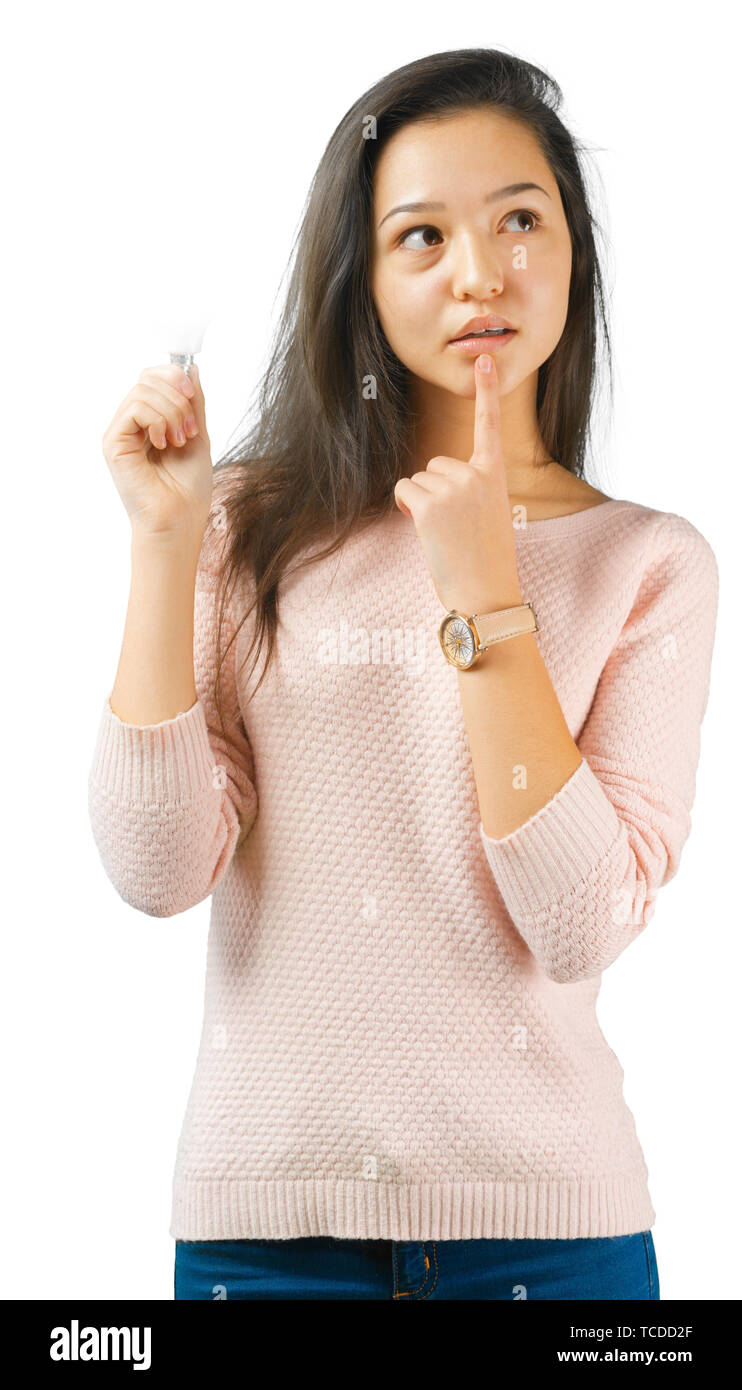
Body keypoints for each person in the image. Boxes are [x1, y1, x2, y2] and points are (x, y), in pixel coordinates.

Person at [88, 48, 718, 1301]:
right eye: (419, 236)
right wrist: (167, 544)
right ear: (362, 284)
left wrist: (489, 597)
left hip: (554, 1239)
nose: (479, 272)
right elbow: (154, 873)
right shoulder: (243, 528)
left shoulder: (648, 563)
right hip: (263, 1231)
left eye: (518, 220)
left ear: (573, 252)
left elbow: (581, 921)